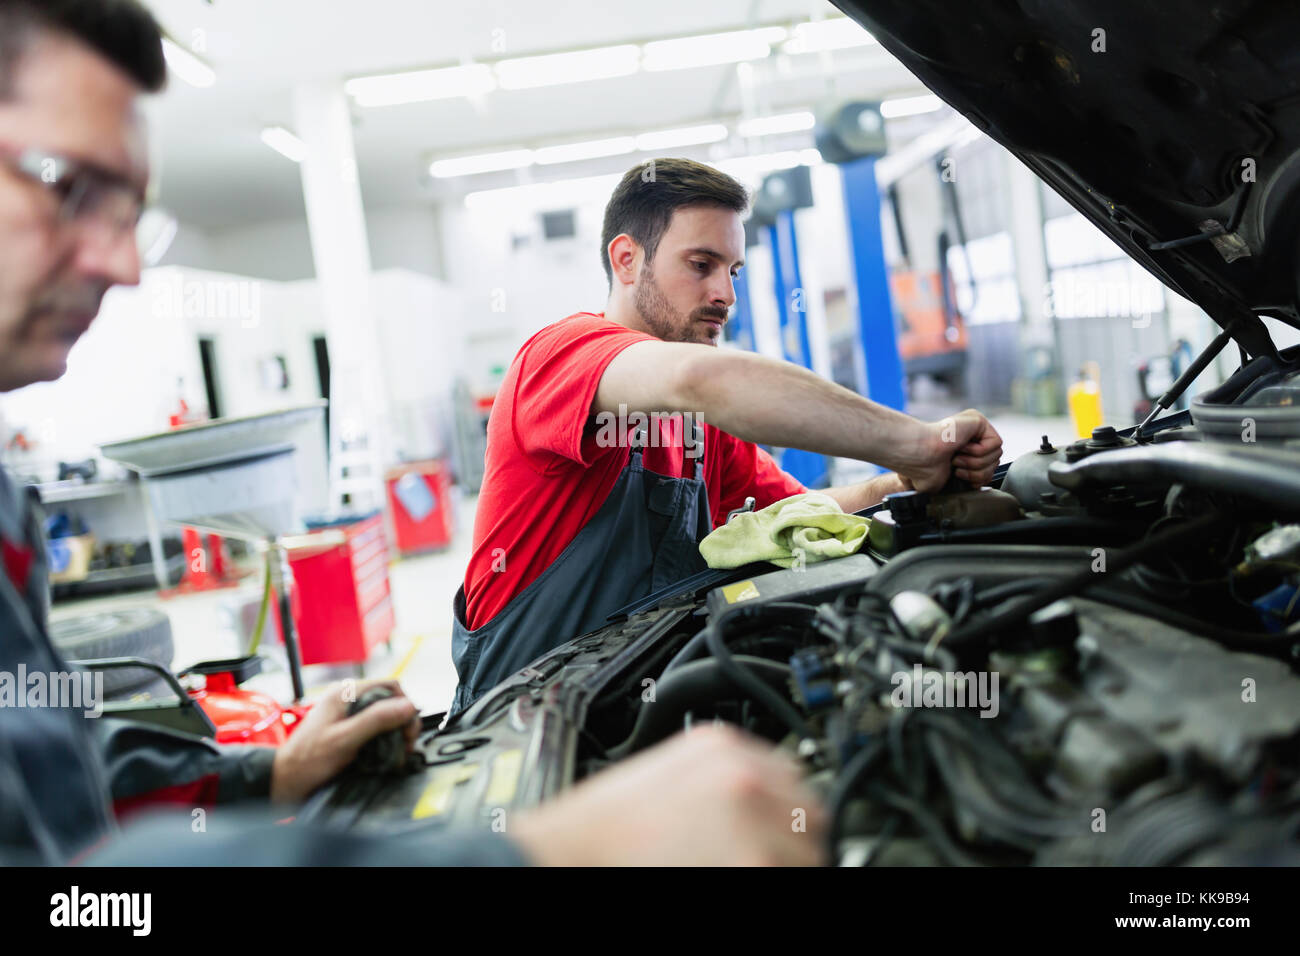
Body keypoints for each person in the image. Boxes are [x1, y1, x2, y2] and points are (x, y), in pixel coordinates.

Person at [0, 0, 823, 866]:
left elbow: (49, 764)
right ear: (627, 259)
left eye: (132, 211)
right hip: (537, 708)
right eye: (70, 185)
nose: (124, 263)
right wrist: (537, 853)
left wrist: (265, 775)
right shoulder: (569, 355)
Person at [453, 159, 1004, 710]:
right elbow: (700, 379)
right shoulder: (562, 355)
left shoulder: (700, 427)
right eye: (701, 264)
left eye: (734, 271)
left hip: (645, 702)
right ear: (627, 260)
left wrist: (893, 486)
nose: (725, 293)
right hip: (520, 724)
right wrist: (918, 442)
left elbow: (795, 512)